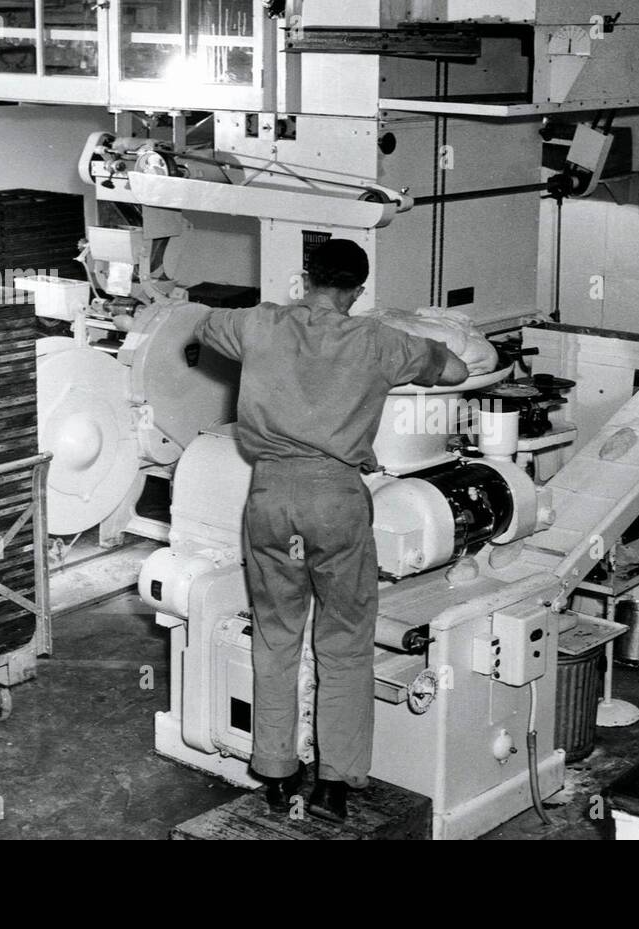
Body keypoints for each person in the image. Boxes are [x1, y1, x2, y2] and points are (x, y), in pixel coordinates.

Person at [194, 239, 469, 821]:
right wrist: (413, 347)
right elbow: (457, 368)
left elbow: (203, 325)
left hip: (270, 498)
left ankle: (274, 773)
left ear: (305, 278)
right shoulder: (379, 341)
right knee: (343, 644)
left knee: (275, 635)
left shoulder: (259, 325)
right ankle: (334, 786)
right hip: (335, 500)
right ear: (359, 291)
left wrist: (273, 328)